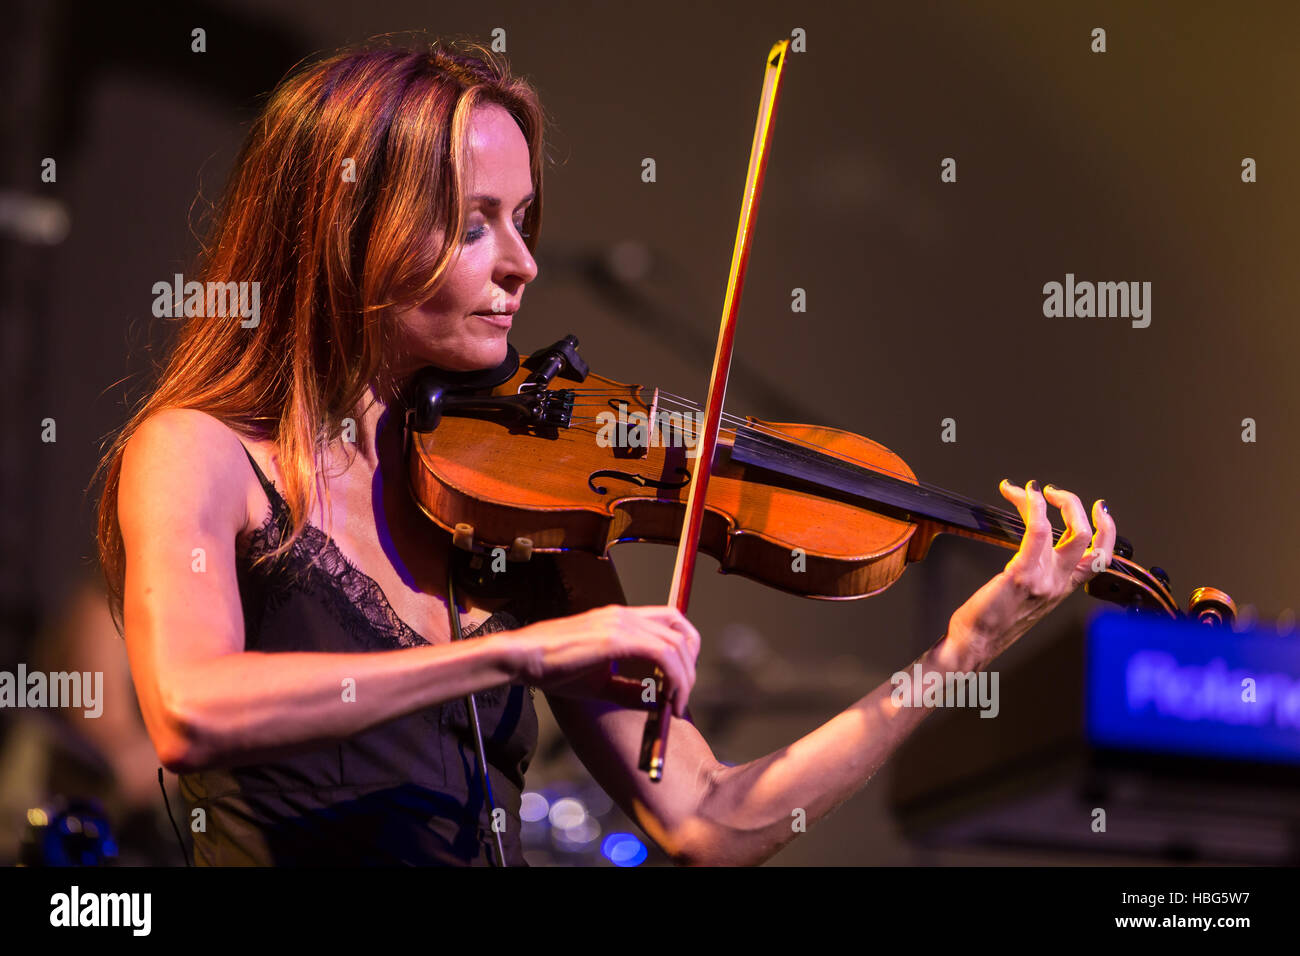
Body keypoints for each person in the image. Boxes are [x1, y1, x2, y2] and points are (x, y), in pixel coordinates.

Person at [93, 37, 1116, 866]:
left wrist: (960, 652)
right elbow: (189, 708)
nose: (523, 263)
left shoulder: (520, 507)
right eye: (474, 223)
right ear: (346, 227)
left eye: (523, 219)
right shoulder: (200, 455)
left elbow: (709, 819)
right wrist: (515, 653)